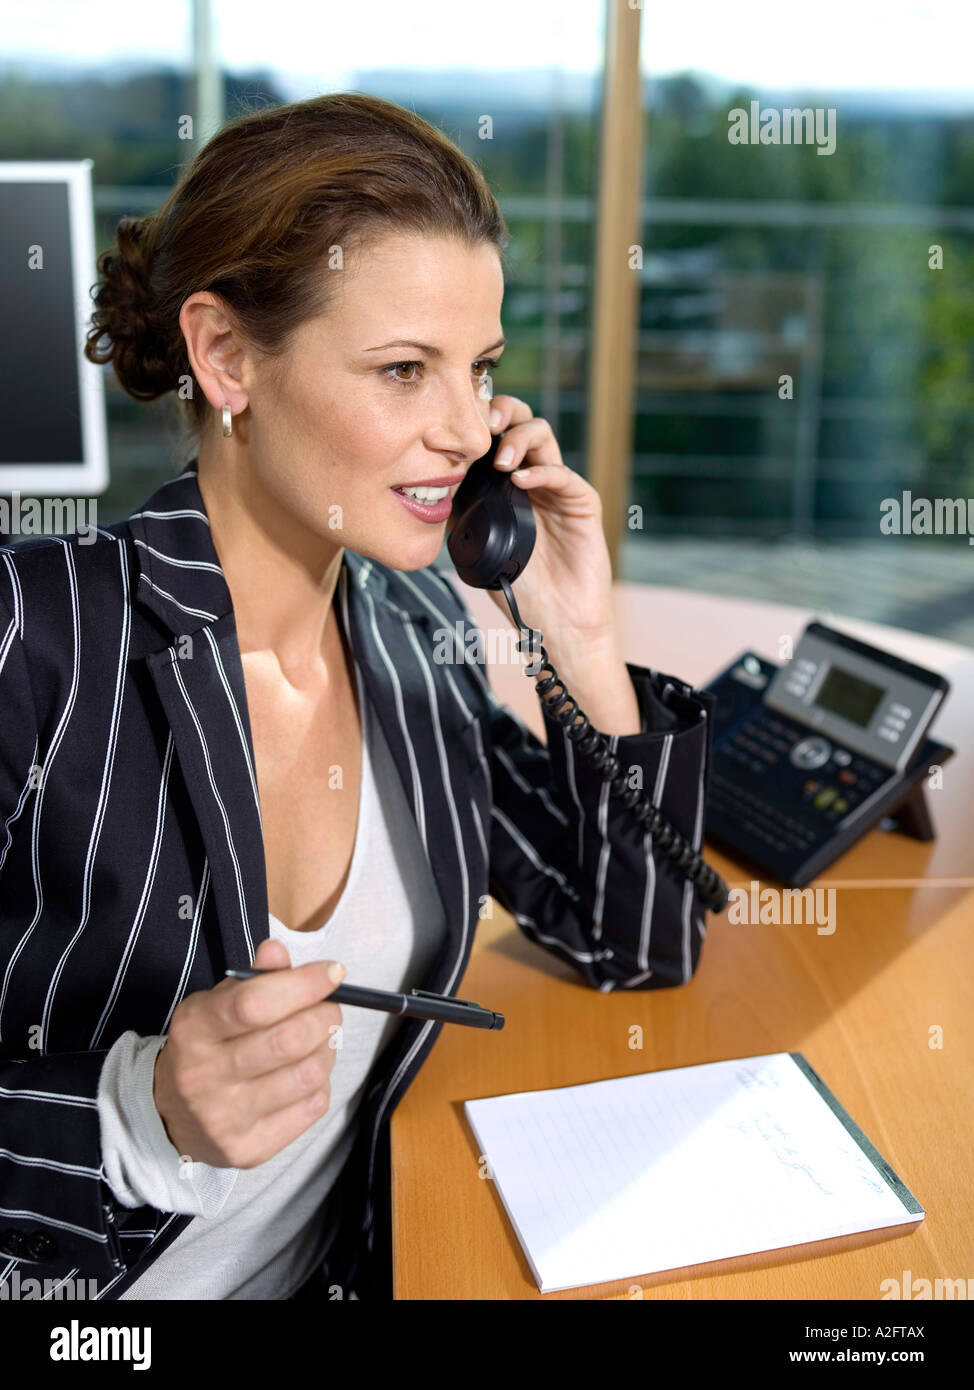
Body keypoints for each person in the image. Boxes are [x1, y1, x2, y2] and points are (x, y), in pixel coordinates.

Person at [0, 92, 715, 1302]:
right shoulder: (37, 636)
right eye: (401, 370)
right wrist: (137, 1110)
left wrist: (581, 644)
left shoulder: (412, 626)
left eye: (479, 368)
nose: (463, 431)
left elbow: (630, 940)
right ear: (225, 356)